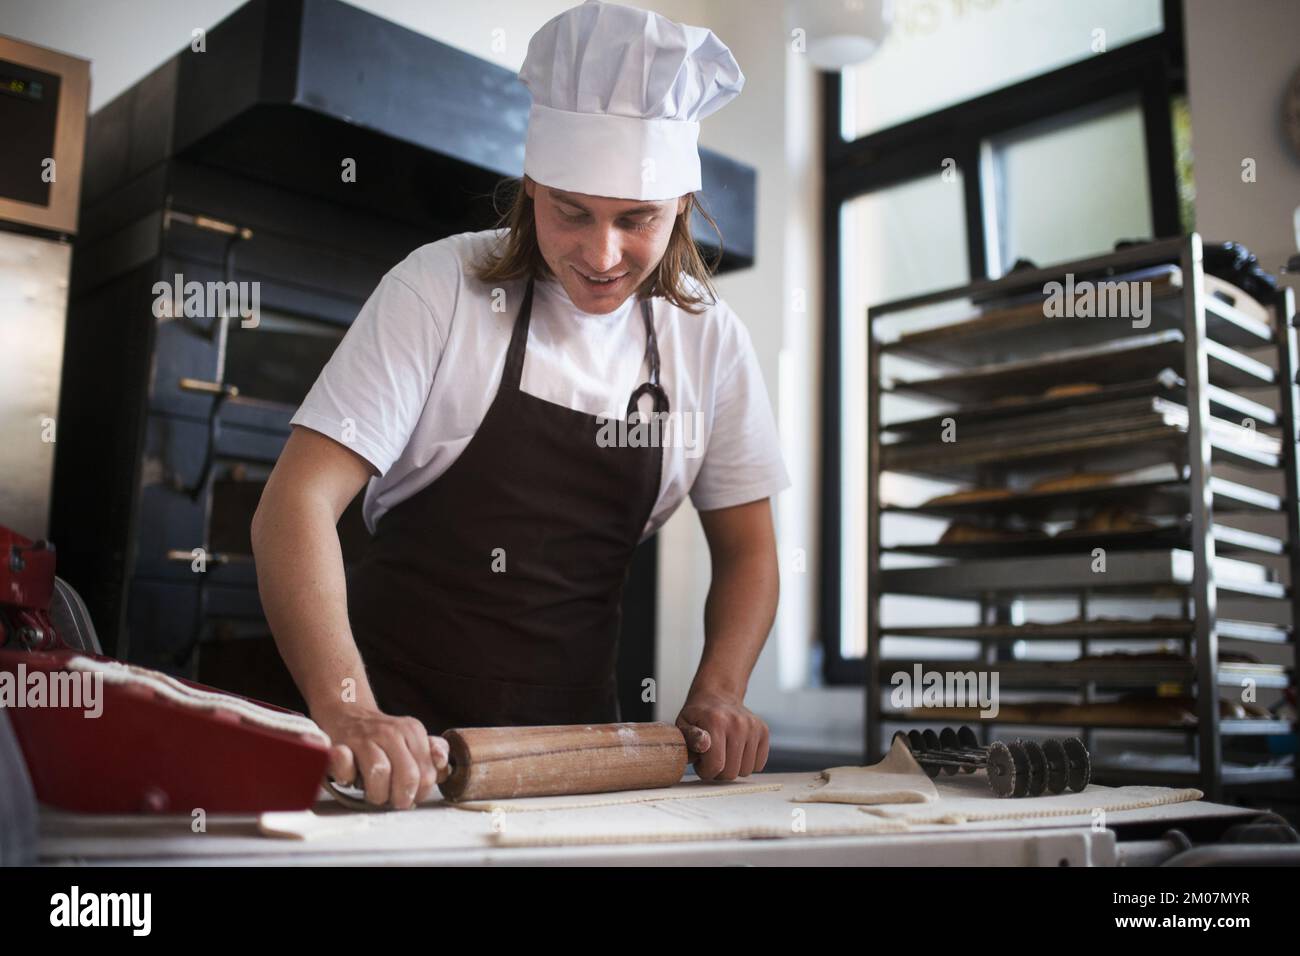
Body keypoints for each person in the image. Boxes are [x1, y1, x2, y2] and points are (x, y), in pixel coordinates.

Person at [251, 0, 790, 810]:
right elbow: (294, 504)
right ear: (532, 186)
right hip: (394, 755)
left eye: (635, 218)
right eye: (572, 212)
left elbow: (750, 550)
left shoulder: (709, 343)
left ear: (679, 204)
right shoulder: (439, 288)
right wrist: (349, 708)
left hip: (577, 765)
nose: (602, 255)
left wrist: (719, 688)